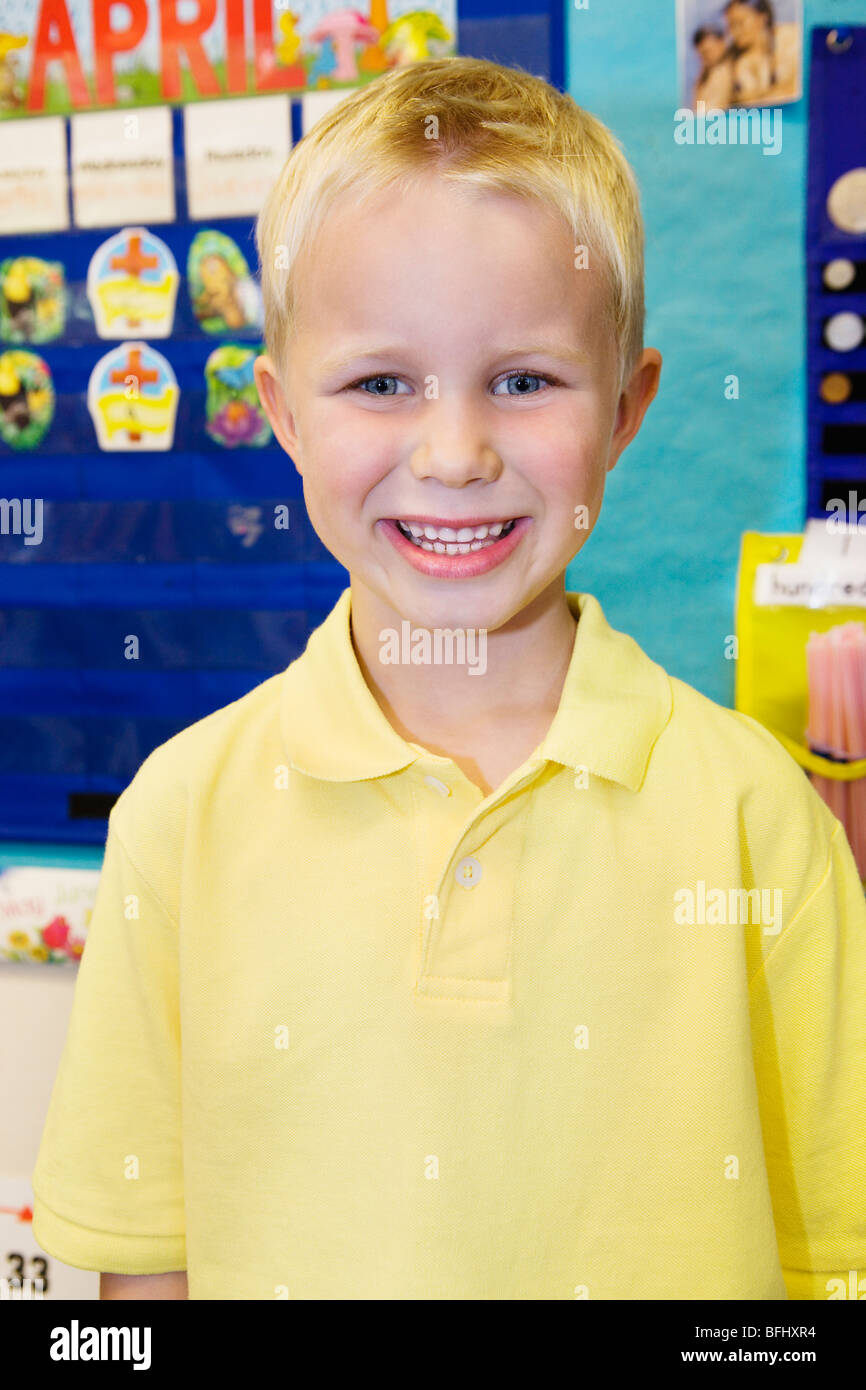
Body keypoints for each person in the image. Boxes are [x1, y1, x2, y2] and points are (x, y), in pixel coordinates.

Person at [31, 56, 866, 1300]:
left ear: (626, 406)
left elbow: (828, 1264)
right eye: (380, 383)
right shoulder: (181, 815)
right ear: (284, 416)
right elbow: (146, 1278)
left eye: (522, 381)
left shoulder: (756, 821)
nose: (455, 453)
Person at [724, 0, 800, 105]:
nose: (735, 32)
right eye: (731, 26)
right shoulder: (734, 62)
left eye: (740, 23)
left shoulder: (791, 37)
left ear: (762, 18)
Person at [692, 24, 734, 110]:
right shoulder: (705, 74)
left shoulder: (724, 71)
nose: (707, 56)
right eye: (703, 53)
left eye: (709, 50)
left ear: (722, 43)